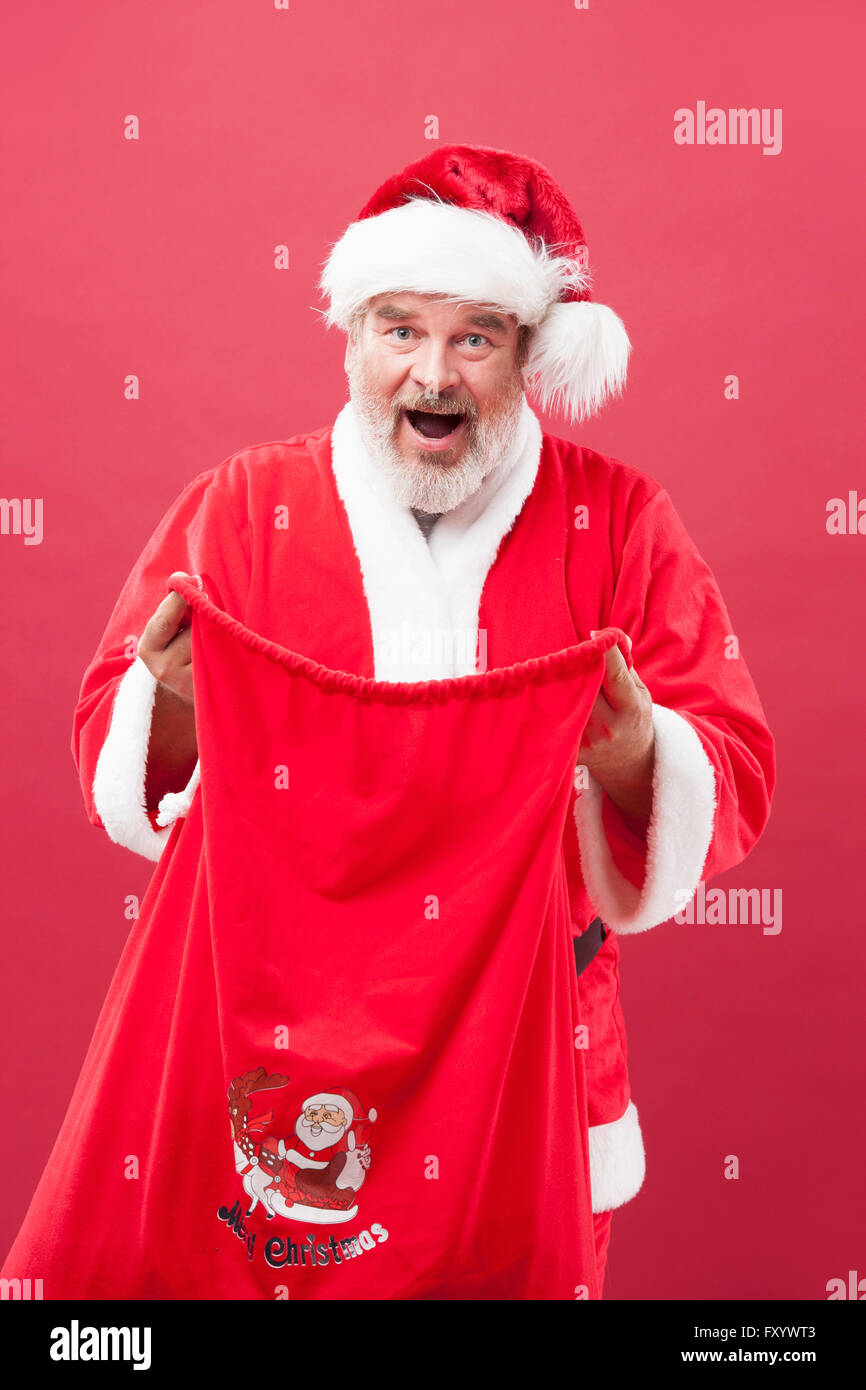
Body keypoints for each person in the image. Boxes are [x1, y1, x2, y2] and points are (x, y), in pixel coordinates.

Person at [2, 144, 775, 1300]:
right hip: (270, 1051)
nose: (433, 372)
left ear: (526, 353)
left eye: (474, 336)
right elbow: (114, 747)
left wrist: (632, 752)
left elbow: (735, 765)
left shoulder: (617, 521)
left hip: (528, 1050)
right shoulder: (240, 508)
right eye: (399, 330)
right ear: (352, 338)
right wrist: (163, 707)